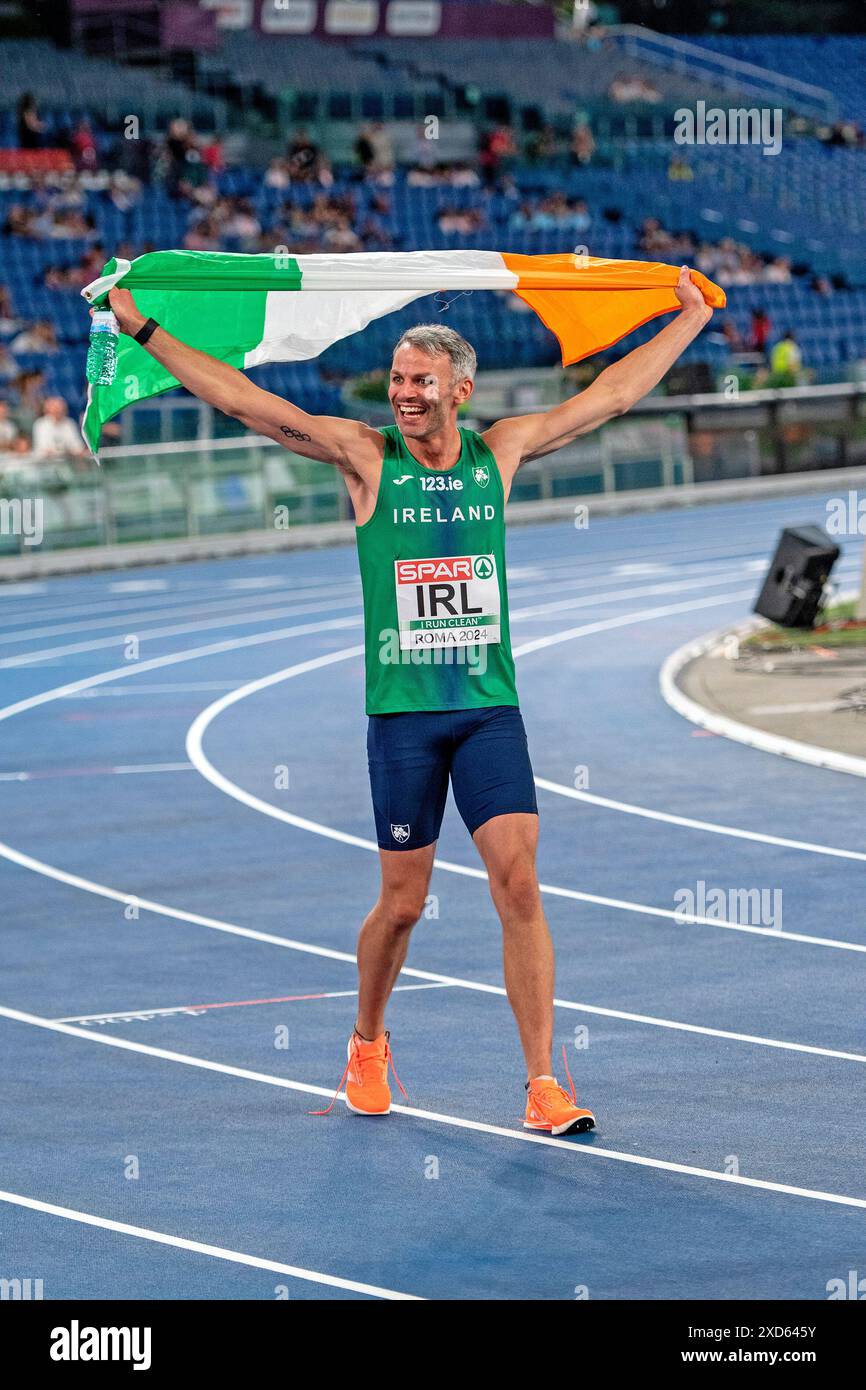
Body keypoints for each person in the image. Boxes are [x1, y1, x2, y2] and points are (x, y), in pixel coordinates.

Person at [106, 266, 714, 1135]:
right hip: (405, 719)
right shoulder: (364, 457)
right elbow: (244, 401)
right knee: (402, 905)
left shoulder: (497, 451)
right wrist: (144, 331)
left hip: (487, 710)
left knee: (519, 882)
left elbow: (611, 396)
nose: (403, 396)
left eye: (419, 382)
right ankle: (367, 1041)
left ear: (460, 389)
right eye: (395, 381)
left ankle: (543, 1084)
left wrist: (688, 318)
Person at [32, 397, 87, 461]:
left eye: (61, 408)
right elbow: (43, 450)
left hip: (68, 464)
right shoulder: (40, 424)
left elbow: (78, 447)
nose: (58, 410)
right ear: (47, 410)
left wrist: (70, 451)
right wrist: (68, 451)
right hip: (47, 465)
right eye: (55, 408)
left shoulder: (70, 424)